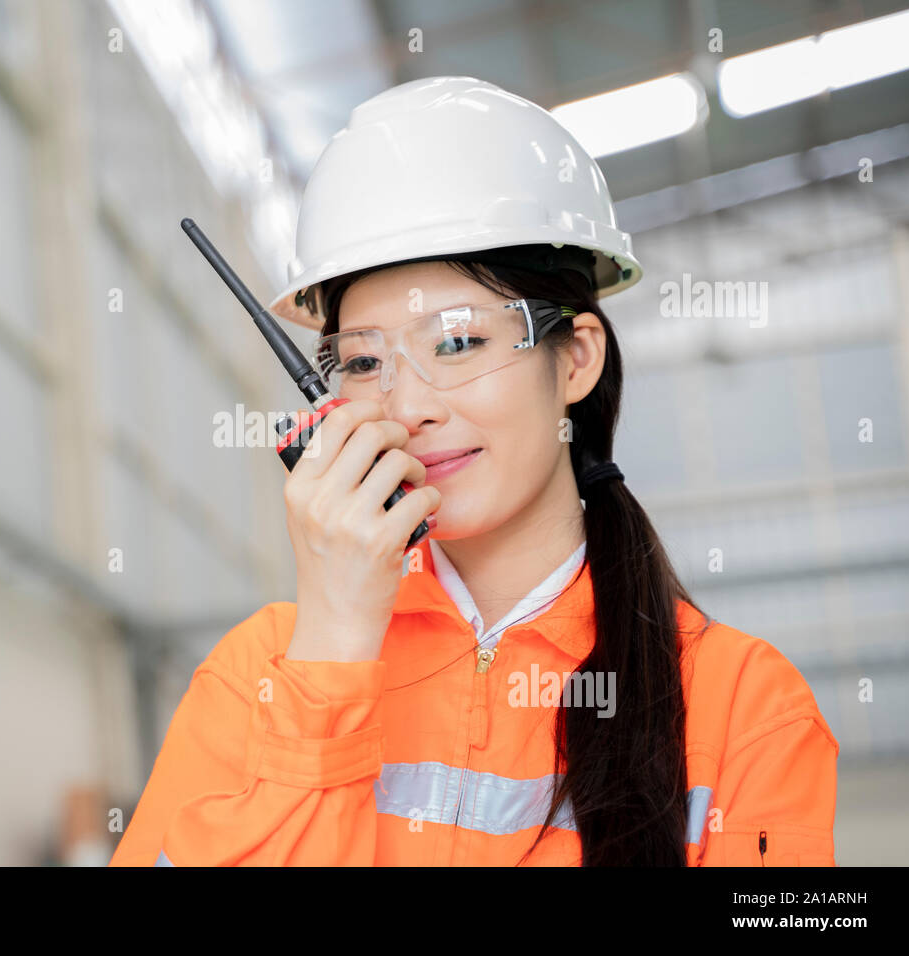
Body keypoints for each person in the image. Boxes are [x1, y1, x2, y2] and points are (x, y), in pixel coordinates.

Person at [109, 76, 837, 866]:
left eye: (457, 341)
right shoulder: (259, 675)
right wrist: (331, 653)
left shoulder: (744, 709)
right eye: (362, 360)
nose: (409, 404)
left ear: (576, 360)